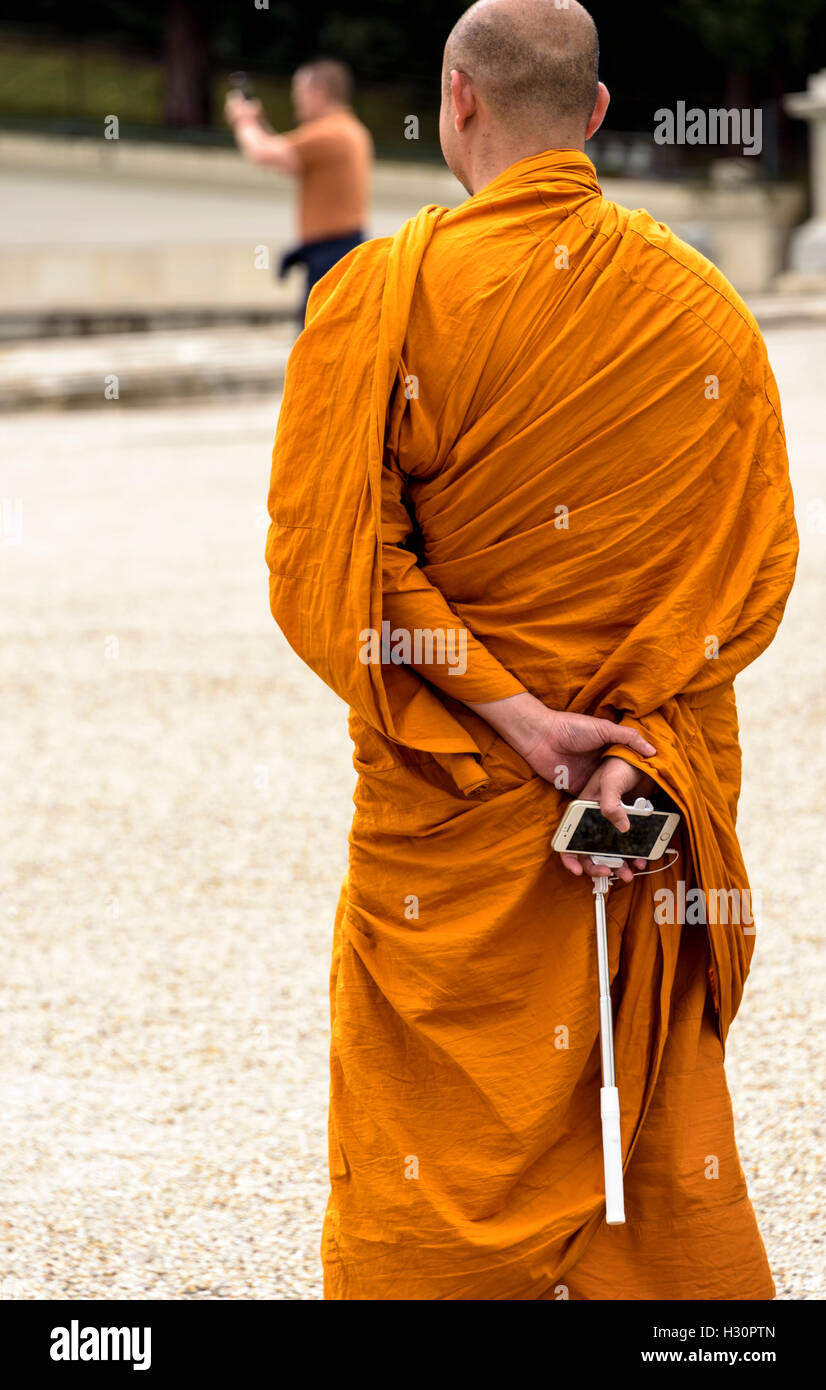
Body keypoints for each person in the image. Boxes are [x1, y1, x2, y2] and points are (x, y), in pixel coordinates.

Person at [264, 0, 798, 1300]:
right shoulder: (702, 310)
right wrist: (633, 740)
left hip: (452, 804)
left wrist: (513, 718)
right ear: (599, 114)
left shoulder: (381, 295)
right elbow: (742, 580)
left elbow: (333, 568)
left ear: (454, 101)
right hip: (633, 787)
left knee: (431, 1150)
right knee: (653, 1112)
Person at [225, 58, 373, 324]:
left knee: (317, 338)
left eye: (300, 93)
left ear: (320, 92)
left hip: (331, 255)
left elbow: (262, 153)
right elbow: (290, 162)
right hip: (340, 251)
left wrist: (242, 121)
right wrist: (257, 124)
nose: (296, 101)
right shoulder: (351, 131)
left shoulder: (330, 133)